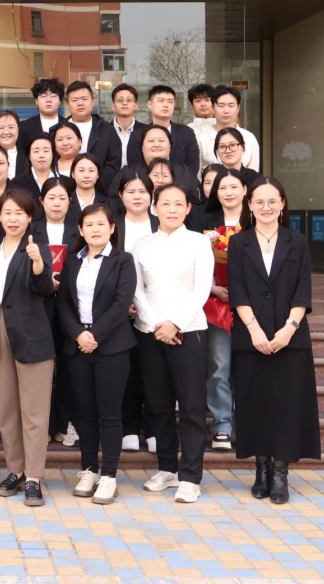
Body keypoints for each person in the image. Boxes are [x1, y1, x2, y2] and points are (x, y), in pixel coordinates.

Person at [228, 177, 319, 503]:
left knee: (286, 405)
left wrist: (288, 329)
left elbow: (302, 291)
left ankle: (280, 473)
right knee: (256, 404)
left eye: (272, 201)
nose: (266, 207)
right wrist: (254, 330)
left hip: (290, 339)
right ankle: (261, 469)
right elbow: (237, 291)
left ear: (282, 205)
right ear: (249, 205)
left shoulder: (298, 242)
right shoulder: (238, 243)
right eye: (259, 201)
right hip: (250, 338)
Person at [131, 184, 214, 504]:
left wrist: (175, 323)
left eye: (179, 204)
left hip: (189, 330)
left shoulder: (198, 242)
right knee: (158, 404)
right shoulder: (142, 244)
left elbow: (202, 288)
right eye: (165, 203)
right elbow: (137, 289)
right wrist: (157, 324)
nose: (172, 209)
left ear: (188, 209)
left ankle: (190, 476)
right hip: (149, 333)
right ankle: (167, 467)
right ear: (155, 208)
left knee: (192, 407)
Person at [58, 204, 138, 505]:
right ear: (80, 230)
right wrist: (79, 334)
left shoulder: (123, 260)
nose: (95, 229)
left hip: (112, 346)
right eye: (89, 224)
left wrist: (95, 335)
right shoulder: (72, 261)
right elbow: (63, 302)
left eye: (101, 224)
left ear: (112, 228)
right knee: (84, 413)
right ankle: (89, 470)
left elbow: (121, 303)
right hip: (78, 346)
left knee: (110, 413)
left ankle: (109, 476)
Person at [0, 190, 56, 506]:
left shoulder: (38, 248)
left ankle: (34, 476)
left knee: (34, 411)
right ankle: (16, 470)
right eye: (7, 212)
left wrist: (38, 263)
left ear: (29, 217)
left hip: (31, 332)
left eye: (19, 213)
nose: (13, 218)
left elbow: (43, 288)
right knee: (7, 409)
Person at [188, 168, 248, 452]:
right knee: (219, 366)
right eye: (222, 188)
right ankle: (222, 425)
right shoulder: (202, 221)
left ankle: (247, 424)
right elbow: (191, 262)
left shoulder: (256, 220)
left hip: (251, 306)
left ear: (245, 190)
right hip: (215, 305)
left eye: (234, 187)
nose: (228, 192)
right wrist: (214, 289)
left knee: (248, 368)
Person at [31, 177, 79, 448]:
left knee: (69, 368)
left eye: (62, 198)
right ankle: (43, 425)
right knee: (41, 368)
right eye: (51, 198)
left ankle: (65, 423)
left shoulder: (79, 230)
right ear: (41, 201)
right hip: (38, 306)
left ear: (70, 201)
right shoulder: (31, 230)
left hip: (72, 307)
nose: (56, 203)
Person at [114, 167, 159, 455]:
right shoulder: (112, 225)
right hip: (120, 311)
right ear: (121, 195)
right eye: (131, 191)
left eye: (143, 191)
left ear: (152, 195)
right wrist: (123, 304)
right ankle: (129, 427)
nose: (137, 196)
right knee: (126, 371)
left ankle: (153, 428)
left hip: (157, 310)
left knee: (154, 372)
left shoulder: (162, 223)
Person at [110, 125, 200, 201]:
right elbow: (113, 200)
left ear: (170, 146)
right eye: (151, 141)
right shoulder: (128, 171)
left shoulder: (184, 172)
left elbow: (196, 202)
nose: (156, 145)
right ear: (142, 147)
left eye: (161, 141)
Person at [126, 86, 200, 178]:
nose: (166, 105)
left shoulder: (186, 133)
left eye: (170, 101)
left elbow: (193, 166)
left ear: (174, 105)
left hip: (180, 185)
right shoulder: (138, 134)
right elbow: (134, 166)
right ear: (149, 104)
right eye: (161, 101)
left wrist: (172, 182)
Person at [64, 81, 122, 189]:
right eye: (75, 100)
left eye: (84, 99)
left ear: (92, 102)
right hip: (64, 190)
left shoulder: (107, 129)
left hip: (99, 190)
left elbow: (114, 163)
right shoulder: (58, 130)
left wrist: (96, 184)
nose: (80, 103)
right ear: (68, 105)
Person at [197, 86, 260, 171]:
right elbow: (197, 175)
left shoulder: (249, 138)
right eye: (221, 105)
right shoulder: (201, 139)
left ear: (238, 108)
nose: (226, 111)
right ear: (213, 108)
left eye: (231, 105)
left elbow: (254, 173)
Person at [19, 78, 65, 154]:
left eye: (53, 95)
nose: (48, 100)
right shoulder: (24, 127)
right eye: (43, 95)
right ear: (36, 101)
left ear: (60, 101)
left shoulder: (68, 124)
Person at [66, 154, 109, 226]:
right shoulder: (65, 203)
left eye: (91, 171)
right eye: (81, 170)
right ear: (72, 174)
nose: (86, 175)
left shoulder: (110, 205)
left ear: (98, 174)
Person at [0, 110, 27, 180]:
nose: (6, 132)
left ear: (18, 130)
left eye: (11, 127)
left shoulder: (28, 157)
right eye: (1, 128)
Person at [109, 84, 139, 167]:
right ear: (113, 106)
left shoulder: (145, 131)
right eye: (120, 100)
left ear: (136, 106)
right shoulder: (103, 131)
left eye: (129, 100)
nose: (125, 103)